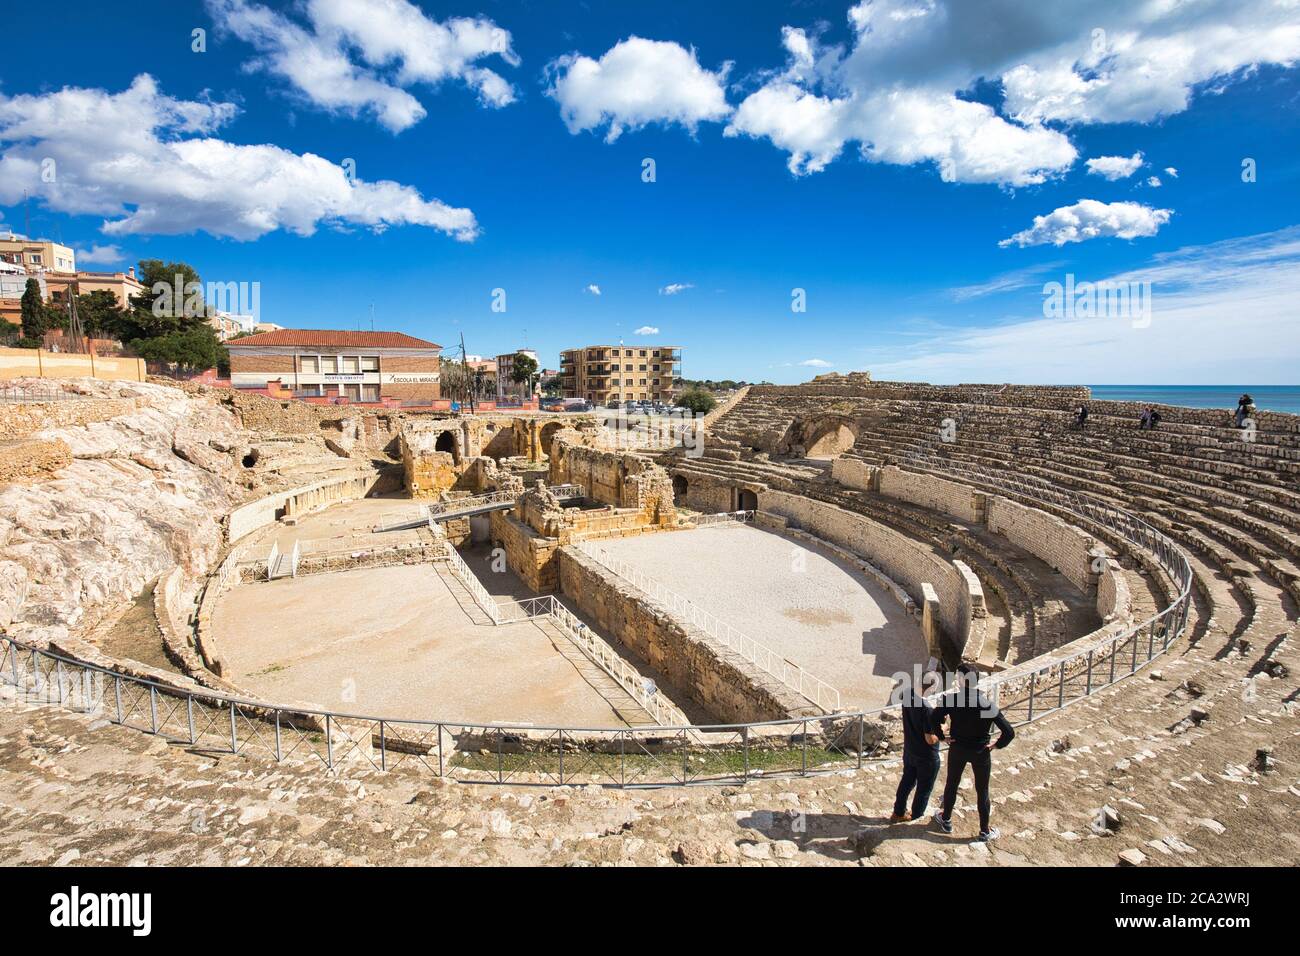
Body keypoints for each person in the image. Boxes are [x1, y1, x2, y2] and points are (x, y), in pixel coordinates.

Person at [929, 662, 1015, 842]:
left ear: (962, 680)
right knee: (982, 790)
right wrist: (996, 745)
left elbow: (934, 718)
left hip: (958, 748)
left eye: (958, 677)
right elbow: (1008, 731)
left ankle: (946, 820)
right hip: (980, 751)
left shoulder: (952, 700)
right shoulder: (985, 704)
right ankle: (984, 831)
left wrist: (941, 736)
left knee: (952, 784)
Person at [890, 672, 942, 823]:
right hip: (926, 756)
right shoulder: (927, 710)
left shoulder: (907, 694)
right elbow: (930, 739)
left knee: (906, 781)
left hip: (910, 750)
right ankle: (916, 818)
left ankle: (898, 812)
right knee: (924, 789)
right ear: (932, 689)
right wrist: (943, 729)